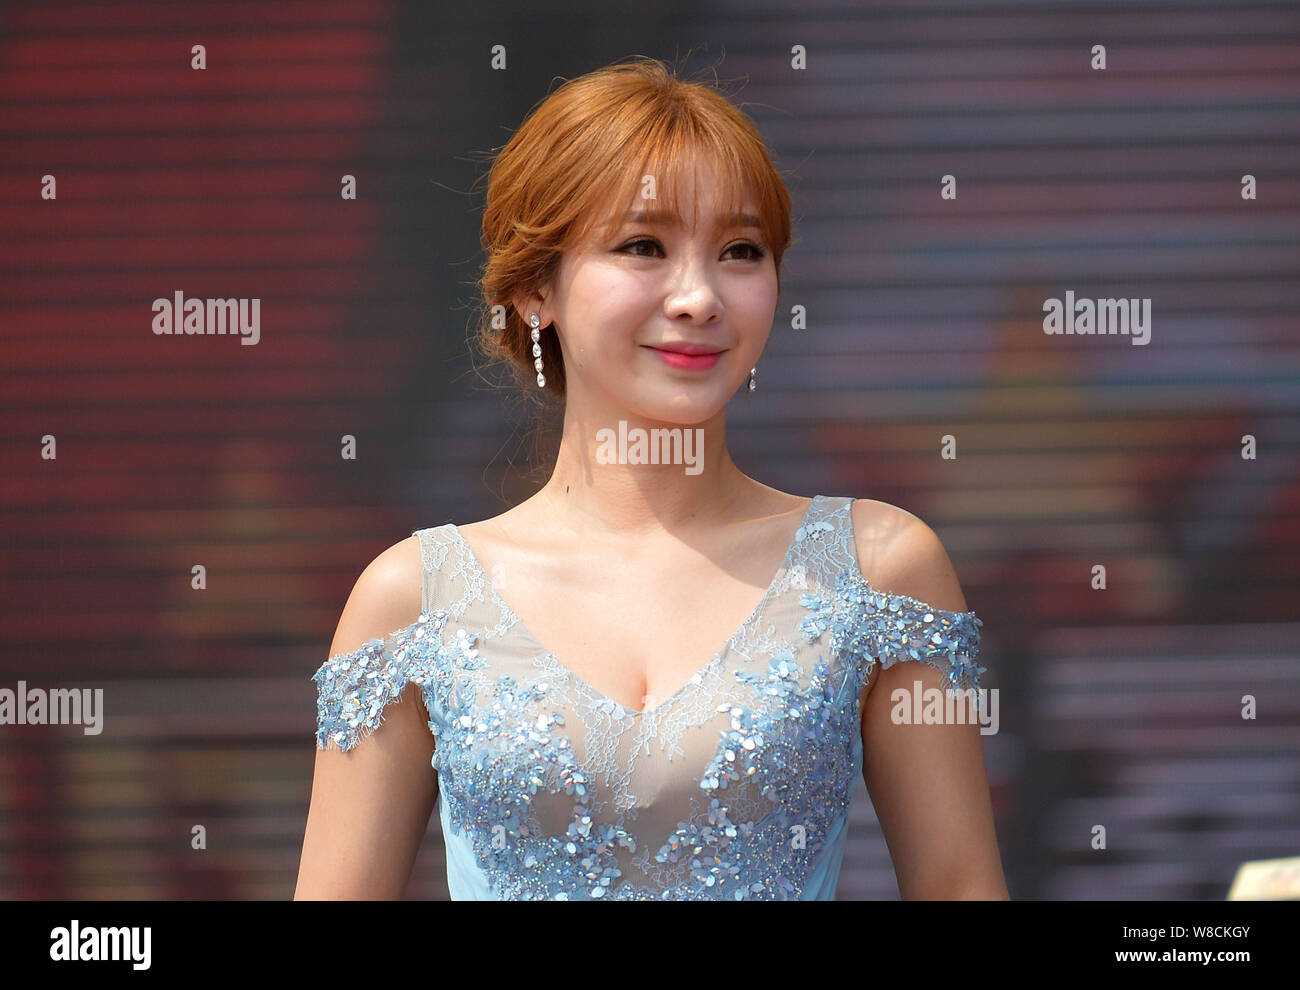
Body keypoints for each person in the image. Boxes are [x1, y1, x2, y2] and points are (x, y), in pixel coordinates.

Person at [294, 56, 1008, 901]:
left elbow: (961, 886)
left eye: (741, 251)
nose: (700, 296)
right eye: (644, 246)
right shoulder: (411, 601)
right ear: (534, 288)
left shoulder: (881, 571)